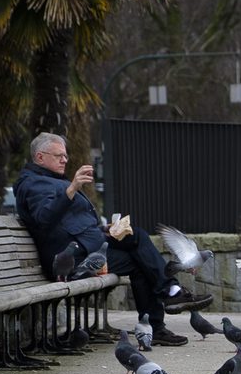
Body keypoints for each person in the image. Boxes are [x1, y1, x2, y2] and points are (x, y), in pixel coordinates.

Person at [13, 132, 211, 347]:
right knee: (139, 253)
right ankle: (169, 296)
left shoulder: (52, 180)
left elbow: (69, 222)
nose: (64, 160)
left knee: (137, 239)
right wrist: (71, 189)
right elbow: (44, 218)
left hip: (89, 247)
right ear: (40, 157)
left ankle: (160, 317)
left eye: (66, 156)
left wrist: (104, 229)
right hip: (70, 261)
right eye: (59, 156)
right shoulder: (31, 184)